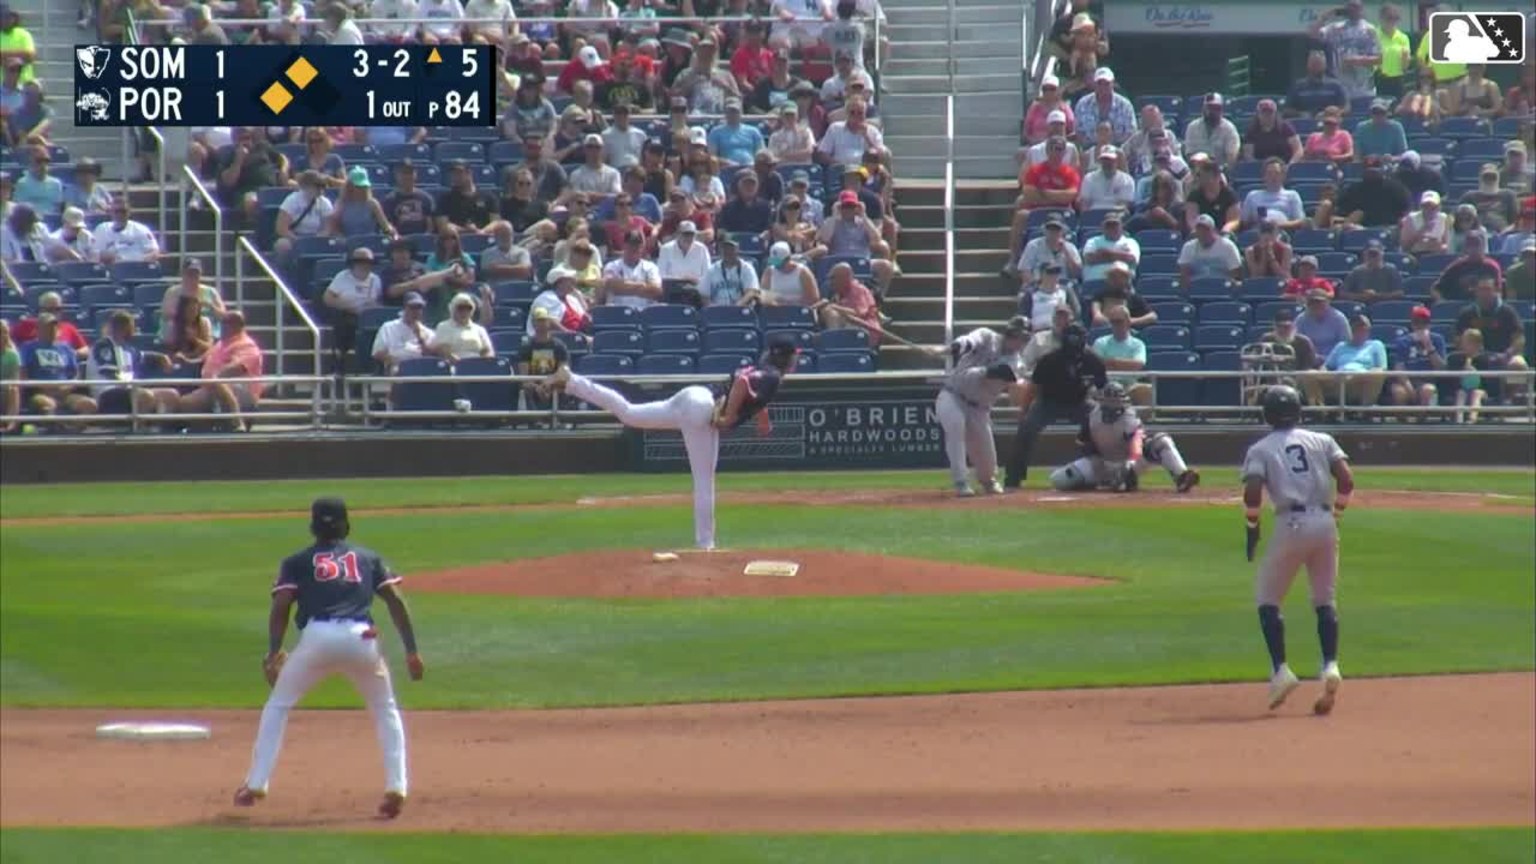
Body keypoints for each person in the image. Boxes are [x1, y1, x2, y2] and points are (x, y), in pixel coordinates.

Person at [232, 497, 422, 819]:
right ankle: (397, 786)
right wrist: (412, 651)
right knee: (385, 708)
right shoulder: (368, 558)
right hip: (363, 639)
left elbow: (281, 606)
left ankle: (256, 782)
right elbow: (395, 601)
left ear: (312, 527)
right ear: (347, 526)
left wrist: (274, 651)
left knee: (279, 705)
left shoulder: (296, 562)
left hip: (317, 639)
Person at [542, 339, 799, 550]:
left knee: (629, 413)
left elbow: (746, 384)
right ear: (787, 359)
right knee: (704, 480)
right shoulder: (774, 376)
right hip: (703, 410)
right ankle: (706, 544)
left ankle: (573, 381)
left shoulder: (763, 370)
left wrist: (761, 416)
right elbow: (743, 385)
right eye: (794, 356)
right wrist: (730, 415)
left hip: (693, 395)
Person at [1240, 384, 1353, 714]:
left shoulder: (1260, 448)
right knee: (1324, 599)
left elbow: (1252, 492)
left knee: (1268, 599)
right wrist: (1339, 513)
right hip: (1324, 520)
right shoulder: (1322, 440)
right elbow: (1346, 479)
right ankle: (1330, 665)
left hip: (1290, 524)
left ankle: (1281, 670)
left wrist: (1252, 527)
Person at [1002, 322, 1106, 489]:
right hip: (1048, 403)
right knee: (1027, 428)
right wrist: (1024, 410)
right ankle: (1013, 477)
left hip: (1079, 402)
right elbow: (1033, 388)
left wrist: (1103, 416)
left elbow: (1103, 389)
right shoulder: (1049, 360)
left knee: (1099, 423)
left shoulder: (1093, 361)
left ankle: (1098, 472)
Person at [1049, 381, 1200, 493]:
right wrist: (1096, 462)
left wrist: (1130, 464)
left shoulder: (1129, 417)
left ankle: (1181, 477)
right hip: (1101, 462)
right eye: (1110, 402)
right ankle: (1097, 482)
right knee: (1059, 480)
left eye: (1116, 402)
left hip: (1130, 460)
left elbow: (1136, 444)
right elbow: (1082, 444)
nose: (1113, 405)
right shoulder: (1092, 417)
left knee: (1162, 440)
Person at [934, 321, 1027, 496]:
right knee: (956, 426)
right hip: (953, 395)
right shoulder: (987, 336)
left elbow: (1000, 372)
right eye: (1019, 337)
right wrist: (947, 350)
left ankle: (988, 480)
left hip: (980, 409)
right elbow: (966, 342)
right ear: (1010, 334)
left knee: (986, 457)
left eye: (1024, 339)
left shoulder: (1017, 362)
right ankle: (961, 481)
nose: (1021, 343)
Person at [176, 310, 264, 430]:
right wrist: (185, 360)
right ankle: (202, 433)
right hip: (211, 388)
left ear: (237, 325)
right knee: (186, 403)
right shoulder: (221, 344)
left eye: (225, 323)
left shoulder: (246, 345)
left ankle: (237, 421)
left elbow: (238, 367)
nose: (221, 326)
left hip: (241, 393)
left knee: (217, 381)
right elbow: (202, 360)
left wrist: (217, 375)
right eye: (221, 322)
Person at [86, 309, 179, 421]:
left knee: (170, 395)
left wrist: (162, 357)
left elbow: (143, 355)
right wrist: (133, 386)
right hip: (106, 393)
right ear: (124, 328)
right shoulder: (104, 345)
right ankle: (139, 430)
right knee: (144, 395)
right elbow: (111, 374)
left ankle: (159, 429)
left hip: (126, 391)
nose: (134, 330)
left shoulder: (127, 348)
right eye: (132, 327)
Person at [1455, 277, 1529, 402]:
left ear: (1496, 290)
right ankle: (1469, 400)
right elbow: (1457, 339)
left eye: (1488, 289)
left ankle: (1510, 397)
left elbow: (1519, 338)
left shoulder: (1507, 312)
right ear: (1476, 291)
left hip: (1503, 357)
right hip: (1475, 358)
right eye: (1481, 289)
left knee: (1518, 364)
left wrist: (1508, 353)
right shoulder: (1467, 313)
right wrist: (1470, 354)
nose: (1484, 293)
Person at [18, 313, 96, 419]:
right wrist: (45, 388)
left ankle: (69, 428)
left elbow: (76, 374)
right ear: (38, 329)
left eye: (54, 327)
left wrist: (67, 387)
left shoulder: (66, 348)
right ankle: (61, 426)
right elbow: (23, 374)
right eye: (47, 327)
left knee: (89, 405)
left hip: (65, 393)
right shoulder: (28, 348)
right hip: (40, 392)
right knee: (48, 405)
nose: (51, 330)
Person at [323, 246, 383, 369]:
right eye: (360, 262)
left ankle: (372, 364)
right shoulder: (342, 277)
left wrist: (372, 308)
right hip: (346, 314)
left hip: (368, 317)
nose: (364, 265)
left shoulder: (375, 280)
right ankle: (341, 361)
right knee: (345, 325)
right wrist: (350, 307)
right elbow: (328, 298)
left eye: (368, 262)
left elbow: (379, 301)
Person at [1307, 0, 1380, 100]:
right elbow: (1312, 34)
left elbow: (1379, 59)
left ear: (1361, 10)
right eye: (1350, 7)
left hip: (1364, 89)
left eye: (1356, 7)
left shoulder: (1369, 30)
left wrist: (1356, 60)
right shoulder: (1335, 28)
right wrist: (1326, 16)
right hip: (1339, 88)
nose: (1353, 10)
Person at [1321, 314, 1388, 407]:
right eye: (1357, 328)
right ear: (1350, 329)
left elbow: (1382, 368)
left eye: (1365, 329)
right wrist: (1323, 373)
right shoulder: (1341, 346)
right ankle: (1320, 411)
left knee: (1378, 373)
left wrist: (1362, 375)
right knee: (1309, 375)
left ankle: (1364, 411)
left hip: (1362, 382)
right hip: (1339, 380)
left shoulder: (1376, 345)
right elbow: (1327, 366)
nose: (1361, 331)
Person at [1388, 305, 1447, 409]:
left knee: (1427, 390)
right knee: (1399, 393)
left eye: (1424, 322)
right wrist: (1409, 387)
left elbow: (1441, 367)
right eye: (1416, 322)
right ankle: (1403, 424)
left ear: (1429, 324)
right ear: (1412, 324)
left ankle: (1421, 421)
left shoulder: (1437, 339)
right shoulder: (1403, 341)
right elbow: (1399, 367)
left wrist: (1429, 345)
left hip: (1427, 381)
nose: (1420, 326)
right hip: (1407, 380)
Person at [1092, 306, 1153, 407]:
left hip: (1129, 386)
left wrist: (1113, 362)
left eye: (1119, 321)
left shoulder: (1138, 344)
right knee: (1090, 391)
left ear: (1128, 321)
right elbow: (1097, 365)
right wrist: (1125, 364)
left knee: (1146, 391)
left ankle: (1136, 421)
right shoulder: (1100, 342)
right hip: (1105, 386)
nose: (1116, 325)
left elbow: (1138, 364)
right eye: (1113, 321)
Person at [371, 292, 445, 373]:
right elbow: (377, 353)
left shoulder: (428, 332)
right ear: (404, 308)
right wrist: (398, 363)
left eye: (419, 307)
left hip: (422, 369)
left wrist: (421, 339)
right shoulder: (388, 327)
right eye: (412, 307)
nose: (416, 311)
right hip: (397, 367)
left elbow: (431, 357)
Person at [1333, 156, 1412, 229]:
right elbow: (1340, 211)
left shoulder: (1396, 188)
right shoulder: (1354, 189)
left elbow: (1406, 210)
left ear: (1382, 169)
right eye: (1369, 171)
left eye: (1374, 171)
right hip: (1360, 230)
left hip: (1388, 228)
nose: (1371, 173)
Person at [598, 230, 664, 309]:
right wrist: (642, 286)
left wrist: (623, 287)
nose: (634, 248)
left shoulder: (650, 267)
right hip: (618, 313)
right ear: (624, 245)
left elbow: (656, 290)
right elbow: (610, 285)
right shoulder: (612, 266)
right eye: (630, 244)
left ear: (642, 247)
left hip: (645, 314)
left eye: (637, 245)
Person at [1432, 230, 1502, 303]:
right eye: (1470, 246)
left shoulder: (1491, 267)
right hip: (1458, 309)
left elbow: (1498, 293)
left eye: (1477, 245)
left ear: (1483, 246)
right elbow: (1436, 289)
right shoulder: (1457, 267)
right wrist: (1442, 302)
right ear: (1466, 248)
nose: (1474, 249)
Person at [1071, 67, 1136, 145]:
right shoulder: (1082, 104)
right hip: (1089, 149)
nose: (1103, 87)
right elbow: (1078, 132)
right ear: (1094, 84)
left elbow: (1131, 132)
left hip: (1120, 148)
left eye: (1106, 84)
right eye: (1099, 83)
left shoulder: (1125, 105)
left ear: (1113, 84)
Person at [818, 262, 881, 340]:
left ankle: (834, 342)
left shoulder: (858, 290)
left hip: (866, 330)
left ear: (844, 277)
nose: (830, 282)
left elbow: (858, 313)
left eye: (833, 277)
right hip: (850, 328)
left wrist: (834, 306)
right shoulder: (837, 293)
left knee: (831, 313)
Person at [1240, 159, 1307, 232]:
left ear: (1283, 176)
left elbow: (1300, 221)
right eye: (1269, 173)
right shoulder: (1253, 196)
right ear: (1264, 176)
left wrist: (1277, 225)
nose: (1273, 177)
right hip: (1258, 234)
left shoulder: (1292, 195)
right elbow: (1244, 222)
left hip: (1284, 233)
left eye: (1277, 173)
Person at [1177, 214, 1242, 287]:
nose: (1202, 232)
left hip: (1222, 290)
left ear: (1214, 230)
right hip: (1196, 290)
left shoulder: (1228, 246)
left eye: (1206, 229)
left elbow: (1235, 274)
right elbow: (1184, 274)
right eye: (1199, 229)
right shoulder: (1188, 247)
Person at [1182, 94, 1240, 169]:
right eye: (1209, 108)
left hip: (1220, 171)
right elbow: (1189, 155)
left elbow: (1231, 158)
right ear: (1203, 109)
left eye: (1216, 108)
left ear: (1221, 109)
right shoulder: (1192, 127)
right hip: (1197, 171)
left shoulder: (1229, 129)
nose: (1212, 111)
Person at [1285, 50, 1349, 117]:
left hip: (1330, 122)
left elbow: (1346, 108)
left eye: (1319, 64)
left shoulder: (1336, 86)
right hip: (1304, 123)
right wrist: (1300, 114)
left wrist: (1329, 114)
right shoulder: (1298, 86)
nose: (1316, 67)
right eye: (1313, 64)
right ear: (1308, 65)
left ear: (1325, 65)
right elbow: (1286, 110)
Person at [1081, 210, 1139, 283]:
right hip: (1095, 281)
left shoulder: (1130, 242)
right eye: (1108, 225)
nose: (1112, 228)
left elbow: (1131, 259)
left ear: (1121, 226)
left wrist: (1105, 253)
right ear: (1102, 227)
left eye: (1115, 224)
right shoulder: (1093, 241)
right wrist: (1121, 255)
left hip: (1122, 284)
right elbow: (1089, 259)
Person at [432, 292, 494, 361]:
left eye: (468, 308)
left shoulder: (479, 329)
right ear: (453, 309)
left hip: (478, 365)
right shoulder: (443, 326)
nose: (464, 312)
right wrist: (461, 365)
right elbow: (444, 351)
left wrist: (486, 359)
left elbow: (487, 350)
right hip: (455, 365)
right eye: (460, 308)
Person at [703, 235, 760, 306]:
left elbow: (751, 292)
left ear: (737, 249)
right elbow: (704, 295)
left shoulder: (747, 268)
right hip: (717, 310)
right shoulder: (712, 269)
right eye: (725, 248)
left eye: (731, 248)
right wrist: (712, 308)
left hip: (740, 310)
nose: (728, 251)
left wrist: (736, 307)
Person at [1459, 164, 1517, 234]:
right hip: (1475, 234)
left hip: (1503, 234)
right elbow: (1461, 221)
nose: (1489, 180)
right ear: (1480, 178)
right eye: (1486, 177)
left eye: (1492, 177)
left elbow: (1514, 220)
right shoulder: (1469, 196)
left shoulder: (1508, 195)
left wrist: (1505, 232)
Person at [758, 241, 820, 307]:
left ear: (788, 259)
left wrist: (789, 303)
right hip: (776, 312)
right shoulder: (769, 272)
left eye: (779, 262)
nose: (776, 265)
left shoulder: (803, 272)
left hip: (798, 311)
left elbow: (813, 298)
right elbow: (765, 299)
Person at [1296, 289, 1351, 362]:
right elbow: (1298, 343)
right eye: (1312, 302)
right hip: (1309, 359)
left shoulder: (1338, 318)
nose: (1316, 305)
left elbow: (1345, 343)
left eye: (1320, 302)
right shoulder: (1301, 319)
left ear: (1327, 302)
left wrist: (1330, 358)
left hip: (1335, 358)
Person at [1400, 190, 1450, 255]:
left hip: (1436, 255)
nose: (1429, 209)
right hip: (1415, 255)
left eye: (1433, 207)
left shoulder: (1444, 218)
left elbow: (1447, 245)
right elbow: (1404, 247)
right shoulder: (1411, 218)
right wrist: (1422, 231)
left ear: (1439, 207)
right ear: (1421, 207)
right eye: (1425, 206)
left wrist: (1438, 246)